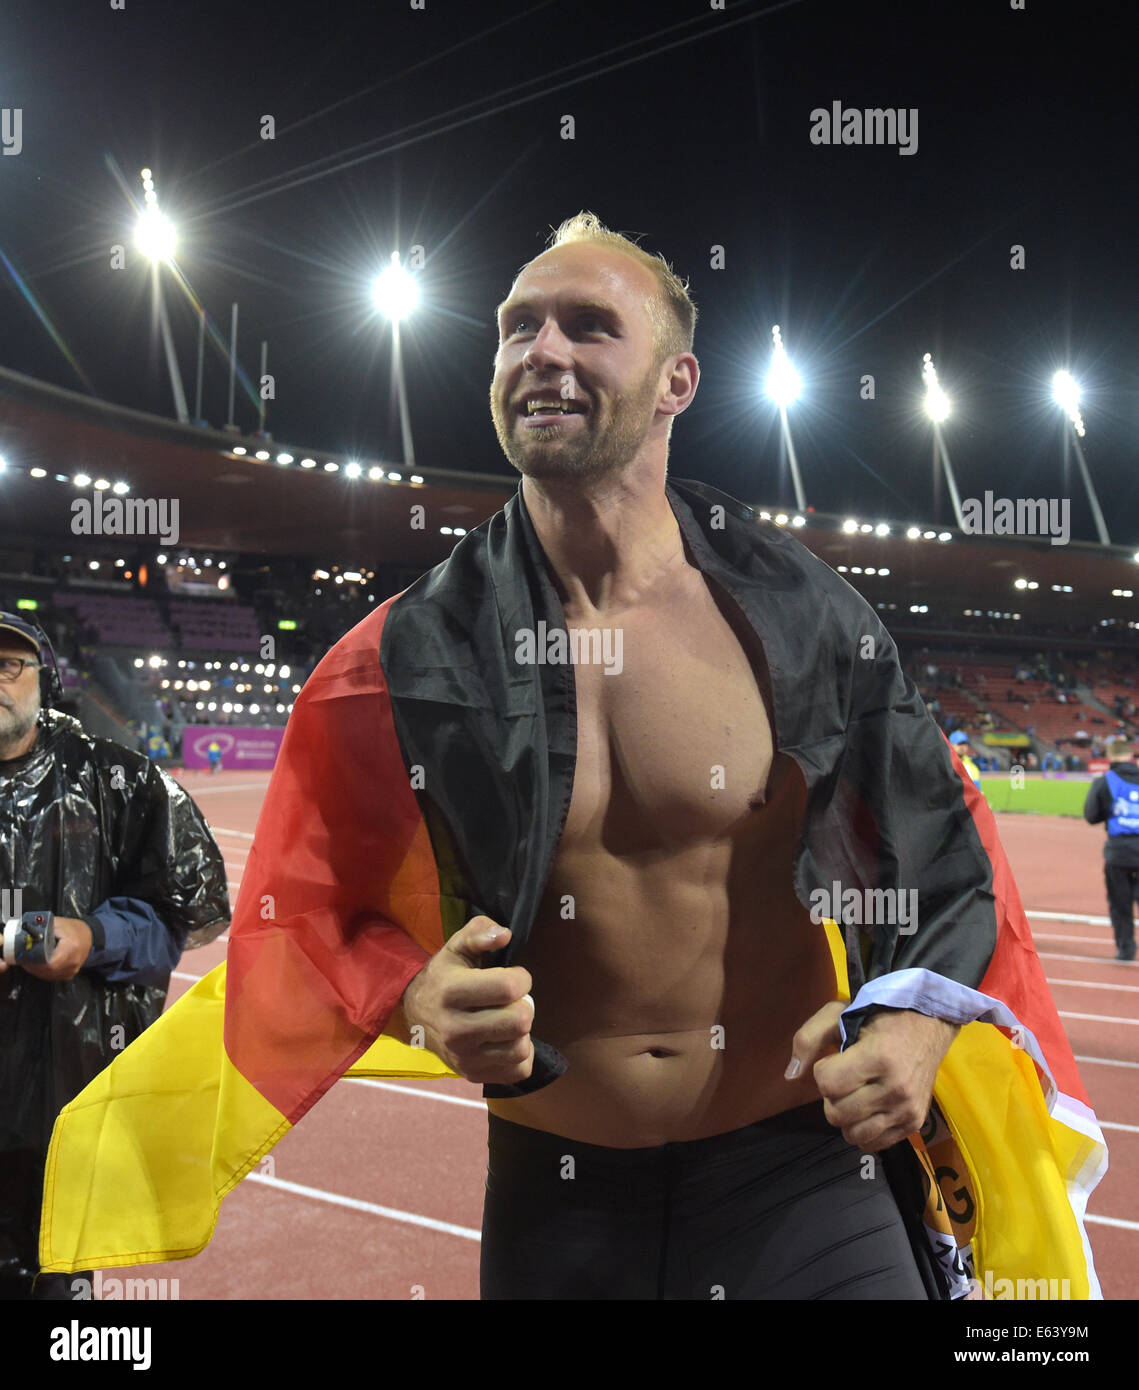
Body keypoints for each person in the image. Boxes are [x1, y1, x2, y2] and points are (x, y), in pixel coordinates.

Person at [39, 214, 1105, 1302]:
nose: (541, 351)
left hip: (801, 1178)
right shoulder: (398, 659)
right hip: (559, 1196)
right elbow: (305, 915)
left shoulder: (802, 622)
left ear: (675, 380)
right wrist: (416, 997)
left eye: (589, 327)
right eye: (516, 329)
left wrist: (919, 1019)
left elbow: (941, 841)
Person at [0, 611, 230, 1298]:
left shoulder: (114, 781)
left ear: (47, 679)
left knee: (54, 1290)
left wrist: (94, 937)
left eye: (10, 665)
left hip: (60, 1112)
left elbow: (179, 910)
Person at [1084, 736, 1139, 961]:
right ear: (1131, 755)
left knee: (1120, 902)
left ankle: (1126, 950)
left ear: (1109, 758)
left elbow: (1091, 815)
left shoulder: (1105, 781)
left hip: (1118, 852)